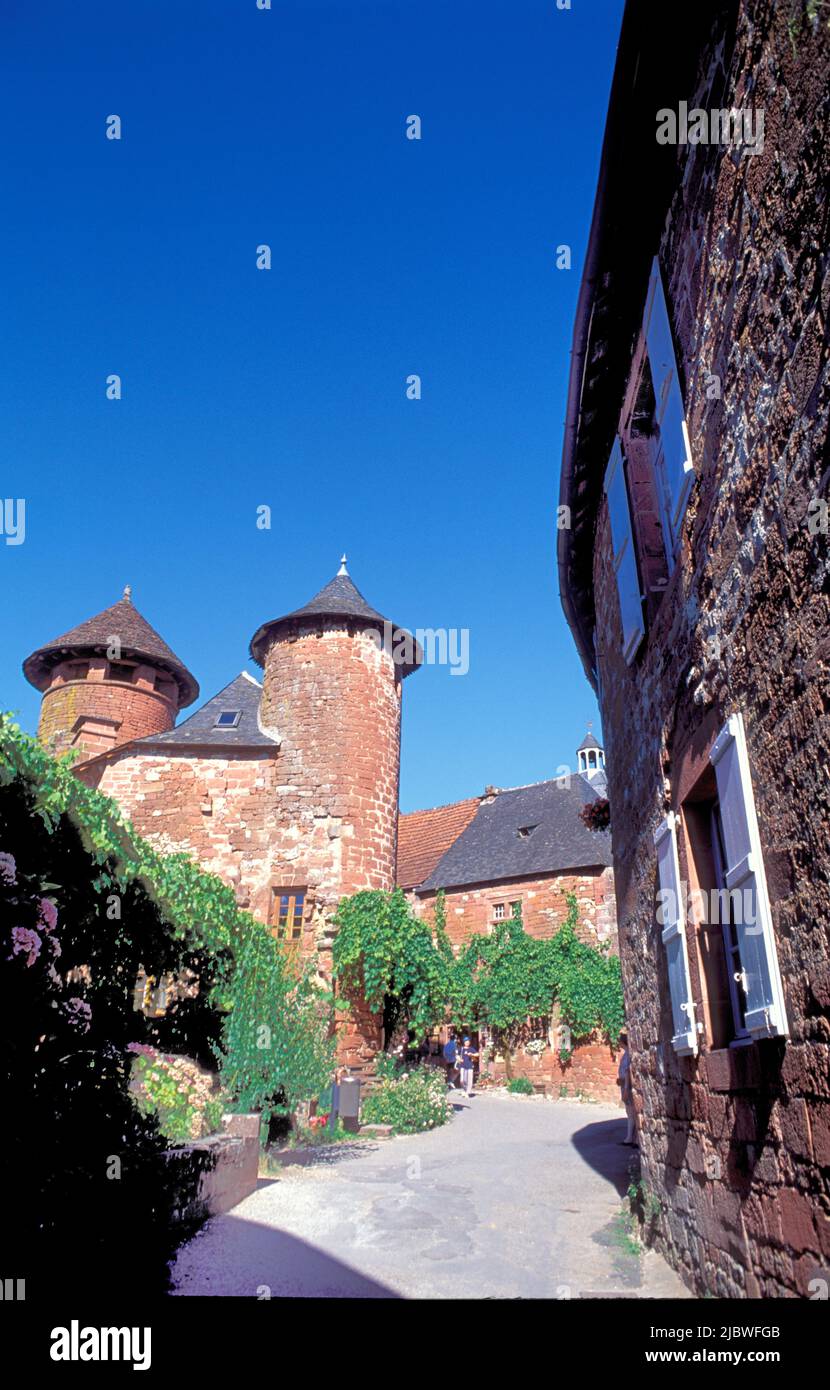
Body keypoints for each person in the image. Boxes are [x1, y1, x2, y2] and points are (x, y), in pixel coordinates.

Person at [617, 1030, 637, 1146]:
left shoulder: (629, 1055)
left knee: (631, 1112)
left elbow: (628, 1072)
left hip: (627, 1086)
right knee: (629, 1112)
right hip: (624, 1084)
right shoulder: (625, 1055)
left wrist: (626, 1087)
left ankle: (630, 1138)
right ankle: (631, 1137)